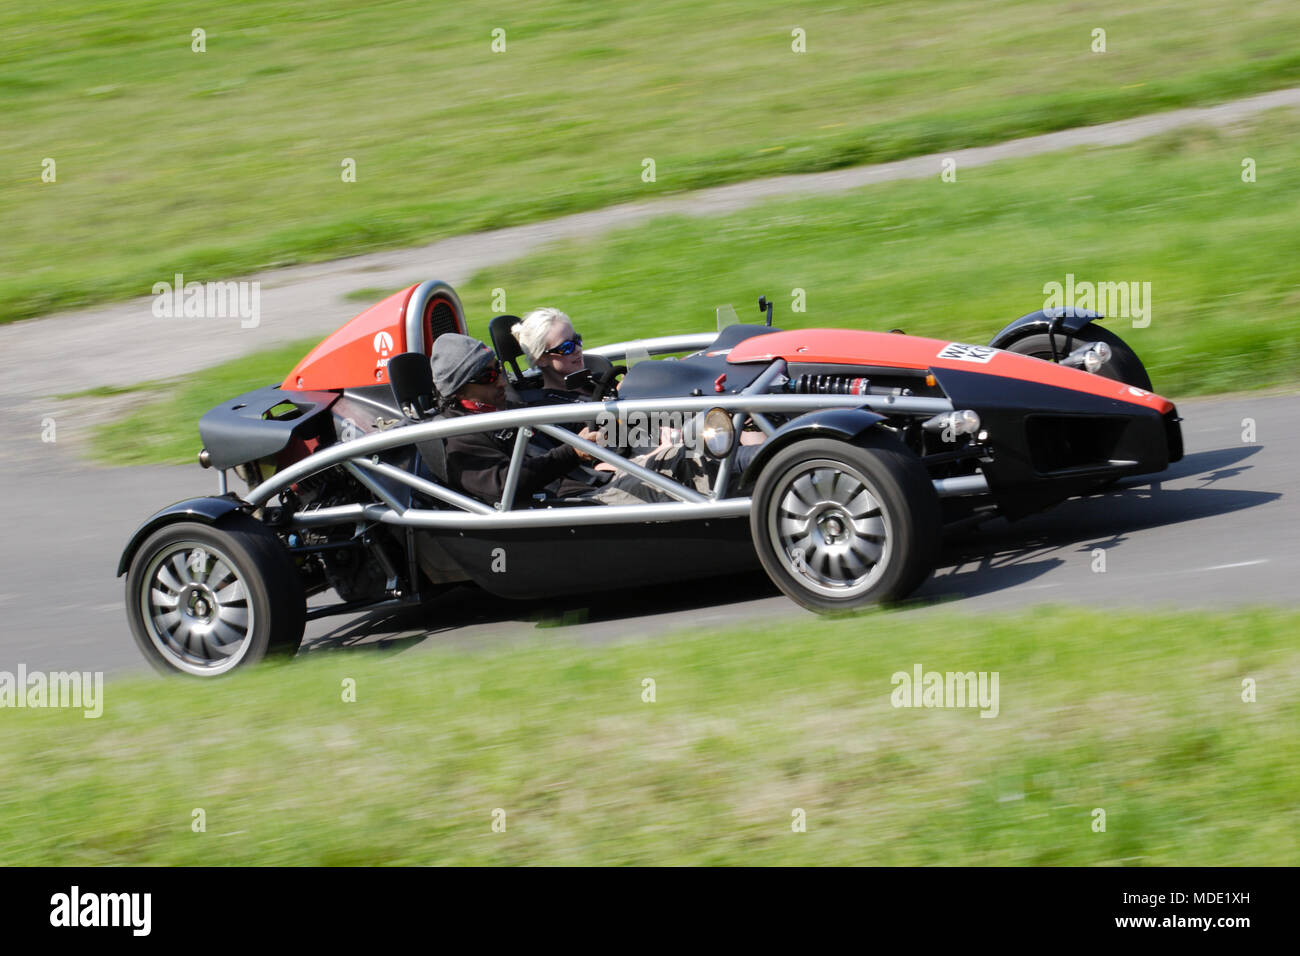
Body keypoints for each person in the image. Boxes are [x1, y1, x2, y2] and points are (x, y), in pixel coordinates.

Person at [511, 307, 589, 400]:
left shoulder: (598, 380)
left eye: (577, 339)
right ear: (541, 359)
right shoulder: (550, 407)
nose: (578, 349)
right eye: (566, 347)